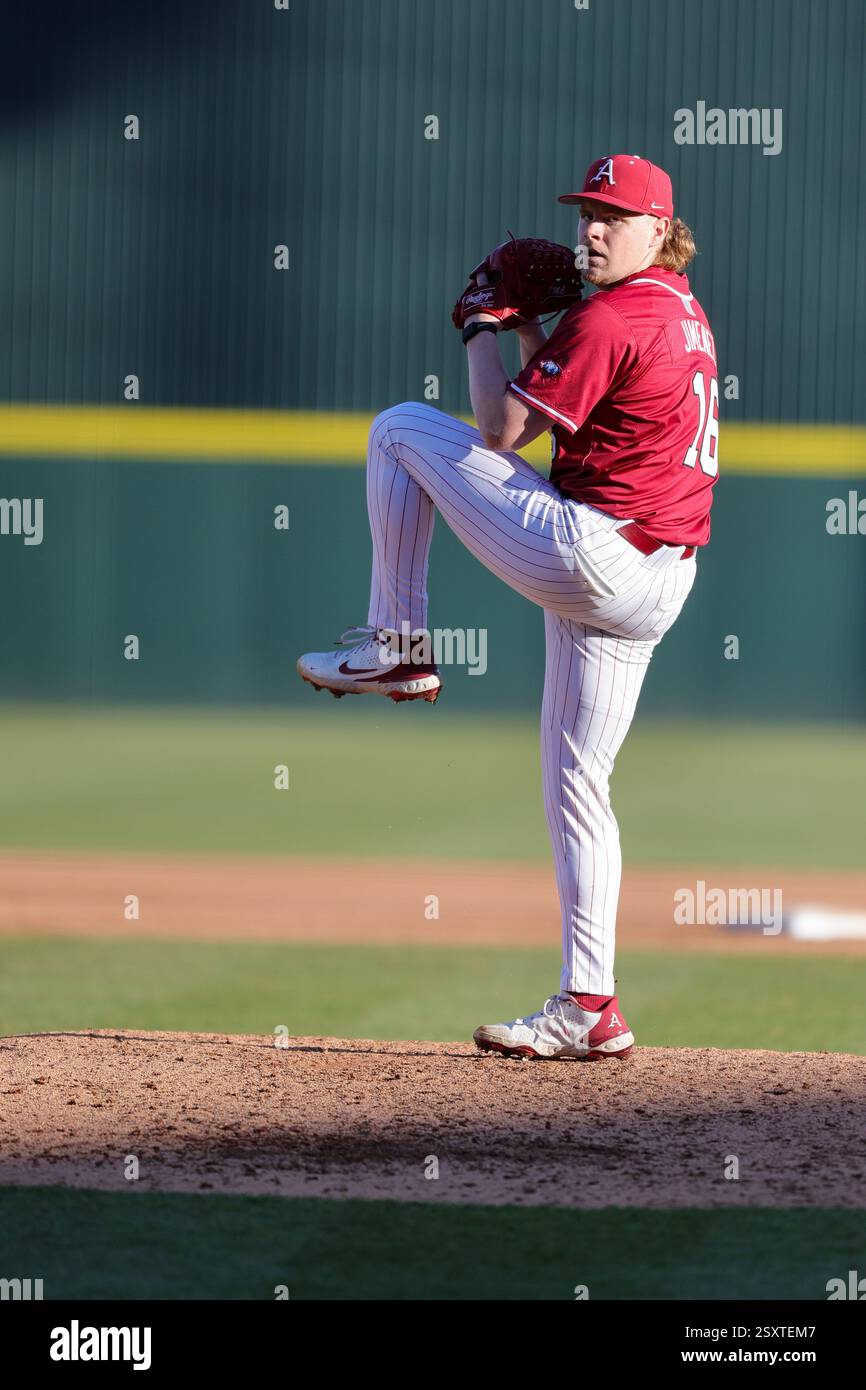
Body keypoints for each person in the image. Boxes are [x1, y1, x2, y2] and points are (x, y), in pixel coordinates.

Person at [297, 154, 718, 1060]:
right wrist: (535, 333)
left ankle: (397, 644)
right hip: (657, 578)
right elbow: (566, 424)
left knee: (402, 430)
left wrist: (482, 329)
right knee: (579, 783)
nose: (592, 229)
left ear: (658, 230)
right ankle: (589, 1008)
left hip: (594, 553)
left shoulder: (614, 313)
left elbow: (498, 433)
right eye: (587, 213)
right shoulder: (677, 309)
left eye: (613, 216)